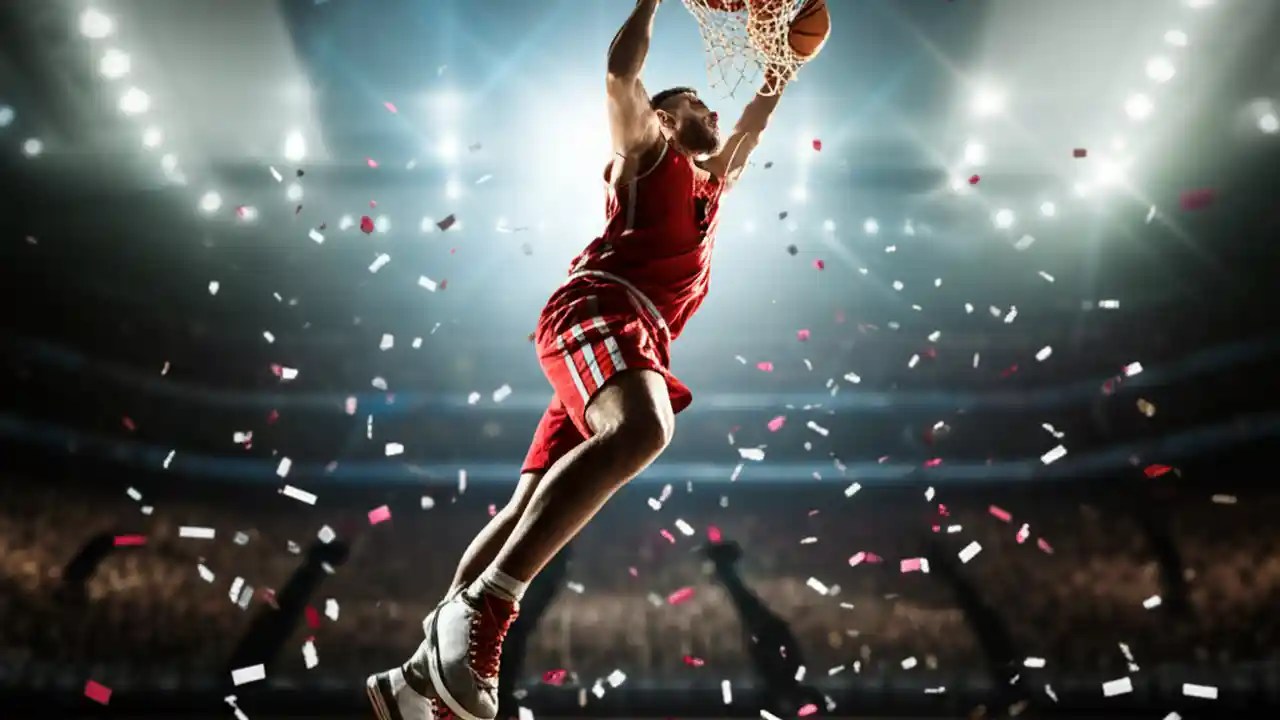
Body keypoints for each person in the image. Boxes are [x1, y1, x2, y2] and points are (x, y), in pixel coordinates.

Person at [367, 1, 816, 718]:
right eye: (695, 102)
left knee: (526, 504)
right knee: (643, 430)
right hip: (602, 309)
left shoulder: (710, 186)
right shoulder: (647, 152)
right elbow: (619, 72)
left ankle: (421, 674)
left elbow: (755, 124)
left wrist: (782, 68)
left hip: (626, 336)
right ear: (665, 119)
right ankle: (489, 607)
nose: (710, 110)